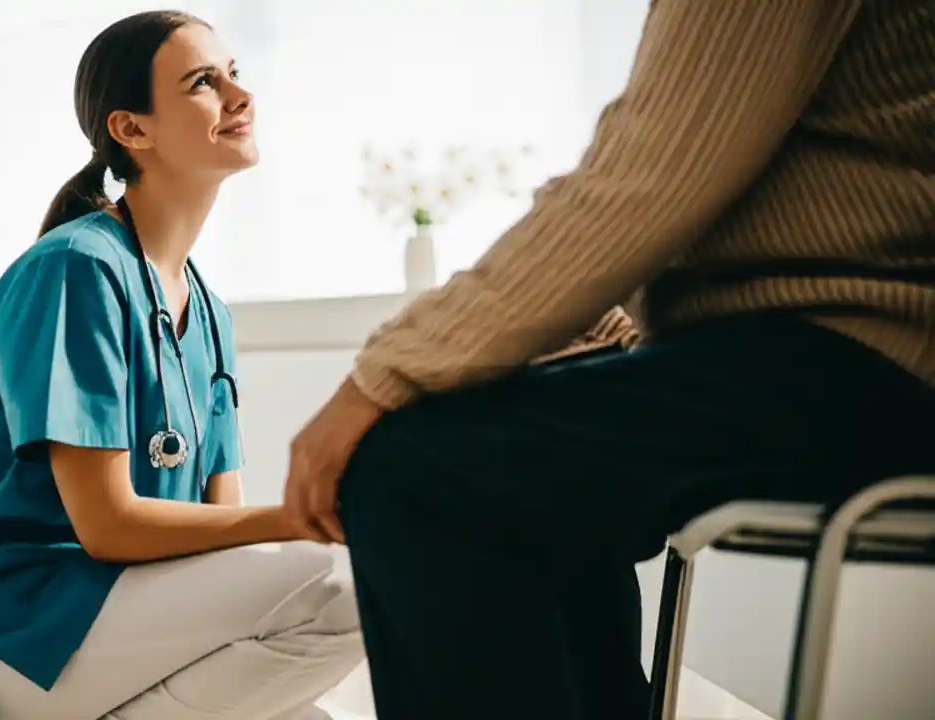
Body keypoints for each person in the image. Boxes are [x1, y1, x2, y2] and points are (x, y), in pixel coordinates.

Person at [283, 1, 935, 718]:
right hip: (844, 352)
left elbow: (655, 172)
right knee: (513, 474)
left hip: (866, 358)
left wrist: (384, 373)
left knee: (414, 474)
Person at [0, 11, 363, 720]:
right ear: (132, 128)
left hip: (119, 609)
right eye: (203, 83)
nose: (240, 96)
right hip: (17, 623)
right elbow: (108, 524)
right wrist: (305, 520)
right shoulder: (75, 270)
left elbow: (222, 520)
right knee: (342, 586)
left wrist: (299, 522)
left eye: (234, 74)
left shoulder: (208, 311)